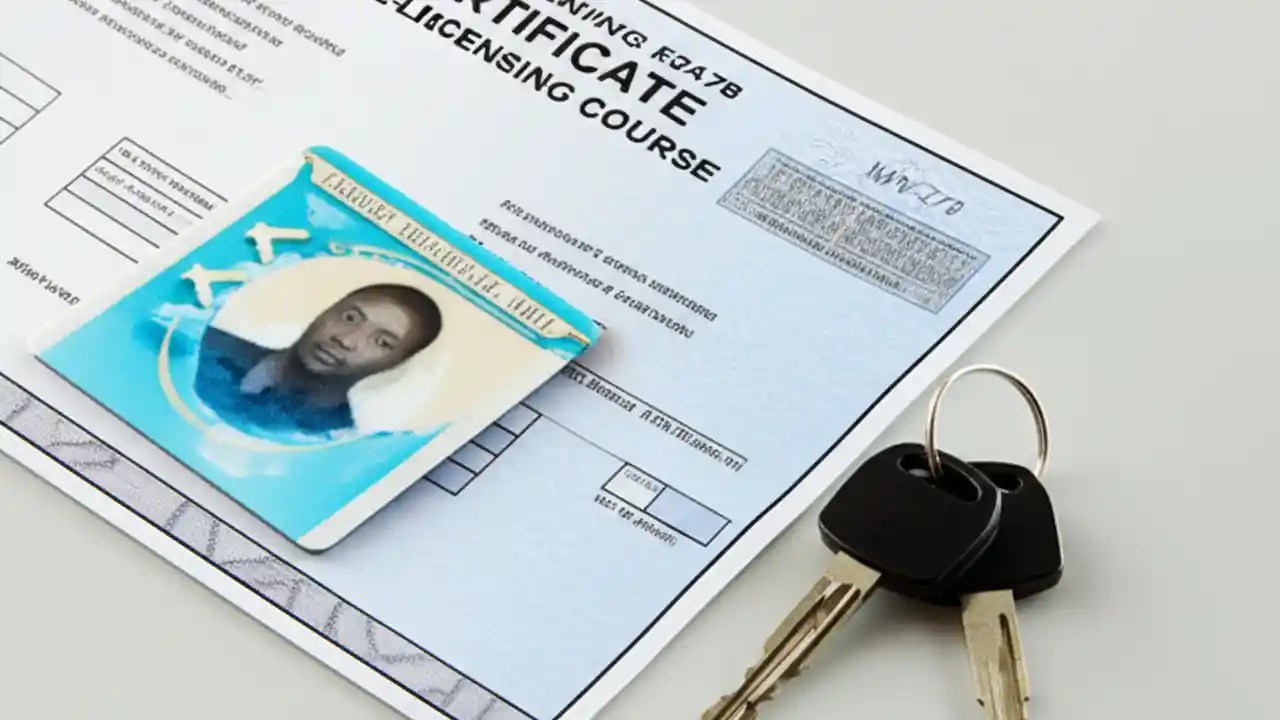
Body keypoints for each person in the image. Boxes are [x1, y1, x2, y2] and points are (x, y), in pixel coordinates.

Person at [195, 284, 443, 435]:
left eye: (382, 342)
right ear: (323, 311)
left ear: (396, 364)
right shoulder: (206, 346)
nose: (346, 340)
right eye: (350, 318)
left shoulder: (331, 439)